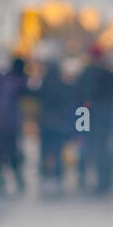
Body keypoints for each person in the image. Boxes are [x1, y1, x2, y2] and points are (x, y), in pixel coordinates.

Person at [76, 46, 113, 194]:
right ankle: (104, 180)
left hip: (86, 115)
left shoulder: (86, 73)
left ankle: (83, 178)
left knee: (86, 146)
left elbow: (79, 95)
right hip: (103, 117)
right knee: (102, 148)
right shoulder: (108, 73)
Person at [36, 60, 71, 193]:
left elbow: (37, 98)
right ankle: (58, 174)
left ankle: (46, 173)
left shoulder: (44, 85)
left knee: (45, 149)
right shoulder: (63, 85)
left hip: (45, 122)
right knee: (58, 149)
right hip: (59, 122)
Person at [0, 56, 27, 195]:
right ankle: (18, 180)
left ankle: (1, 181)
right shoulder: (19, 81)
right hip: (11, 121)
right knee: (13, 151)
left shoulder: (2, 79)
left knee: (1, 152)